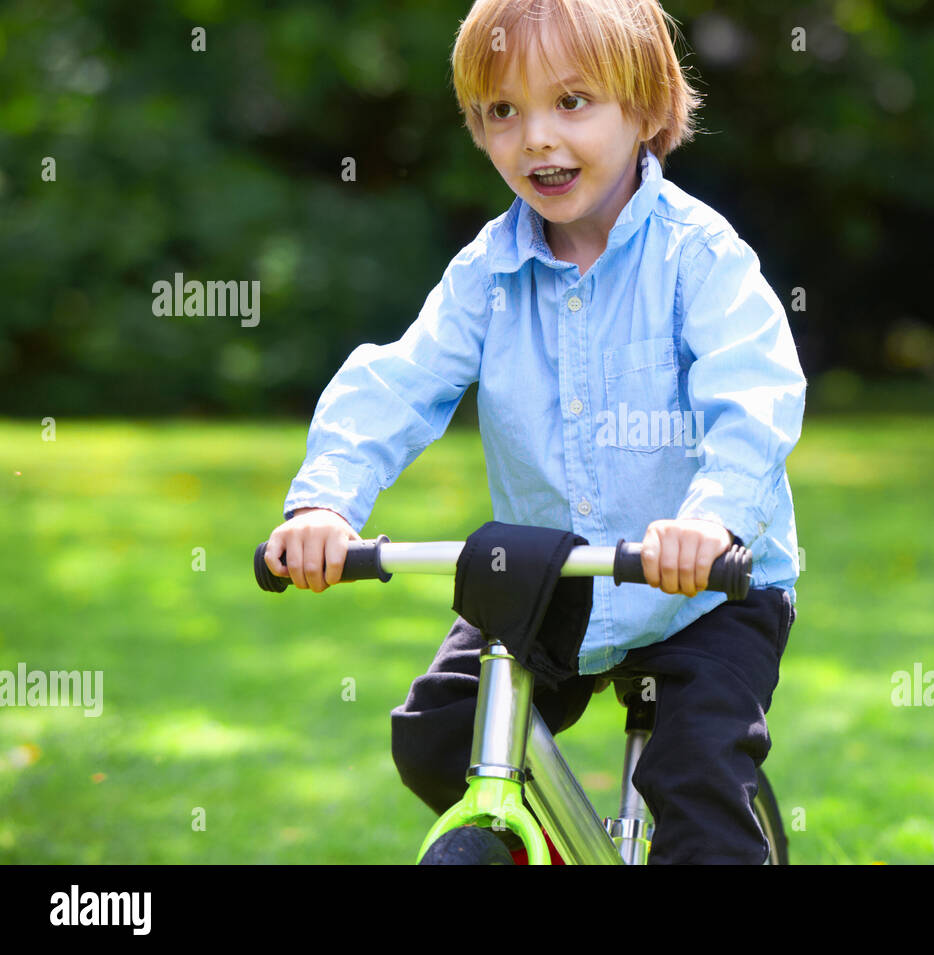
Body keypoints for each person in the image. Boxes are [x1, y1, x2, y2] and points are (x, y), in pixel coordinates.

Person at [264, 0, 806, 864]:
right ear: (478, 132)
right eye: (503, 112)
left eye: (573, 102)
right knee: (438, 738)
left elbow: (754, 394)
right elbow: (399, 384)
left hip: (705, 590)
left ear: (648, 110)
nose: (537, 138)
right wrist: (324, 504)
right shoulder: (486, 273)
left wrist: (711, 521)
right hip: (554, 581)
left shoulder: (700, 259)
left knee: (698, 785)